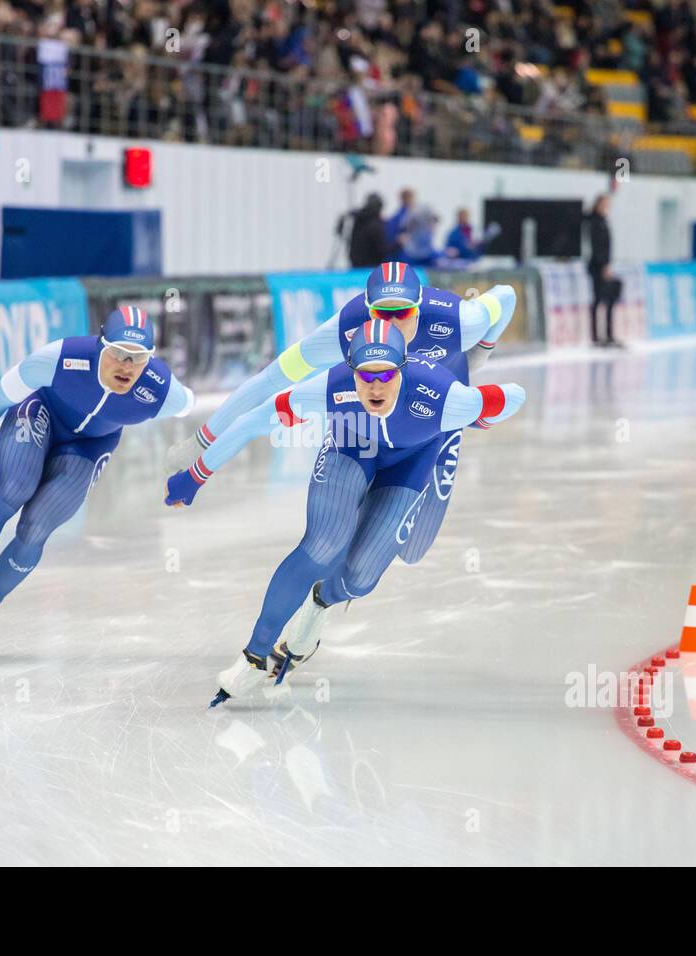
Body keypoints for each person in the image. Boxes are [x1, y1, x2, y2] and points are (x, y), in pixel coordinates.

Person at [163, 320, 526, 705]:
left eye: (385, 374)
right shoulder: (331, 387)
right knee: (322, 544)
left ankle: (321, 602)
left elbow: (514, 395)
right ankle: (254, 656)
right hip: (350, 446)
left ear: (403, 368)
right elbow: (254, 420)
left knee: (360, 578)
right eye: (363, 375)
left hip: (411, 462)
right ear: (350, 371)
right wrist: (197, 474)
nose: (374, 386)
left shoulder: (444, 396)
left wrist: (476, 416)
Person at [169, 262, 516, 568]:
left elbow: (505, 297)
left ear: (420, 308)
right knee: (344, 532)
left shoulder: (459, 320)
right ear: (367, 311)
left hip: (434, 413)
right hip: (370, 412)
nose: (393, 324)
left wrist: (482, 351)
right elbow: (271, 380)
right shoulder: (344, 332)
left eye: (404, 313)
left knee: (411, 552)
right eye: (382, 314)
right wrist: (202, 441)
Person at [0, 306, 195, 660]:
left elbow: (205, 423)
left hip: (89, 446)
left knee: (36, 527)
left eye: (138, 358)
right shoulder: (60, 357)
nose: (126, 366)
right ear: (100, 345)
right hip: (40, 411)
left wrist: (192, 470)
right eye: (118, 353)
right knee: (12, 491)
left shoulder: (163, 391)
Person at [586, 194, 623, 348]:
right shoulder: (595, 223)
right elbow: (597, 247)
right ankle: (596, 336)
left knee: (608, 299)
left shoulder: (603, 222)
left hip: (602, 265)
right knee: (598, 300)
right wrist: (603, 266)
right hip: (597, 267)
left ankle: (607, 334)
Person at [345, 192, 395, 268]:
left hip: (356, 266)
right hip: (371, 268)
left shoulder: (360, 220)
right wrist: (398, 243)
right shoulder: (375, 226)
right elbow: (382, 250)